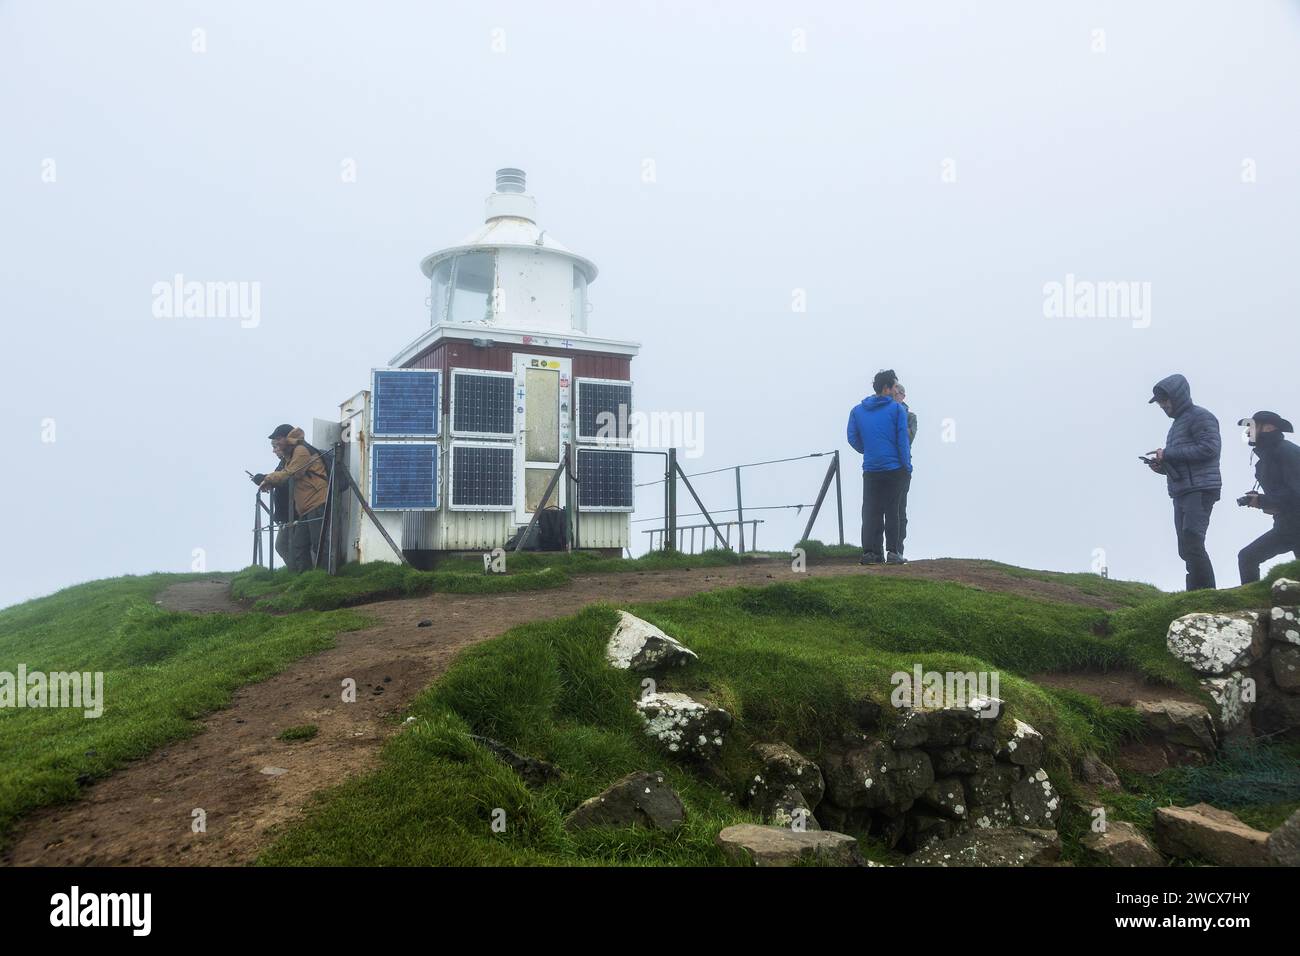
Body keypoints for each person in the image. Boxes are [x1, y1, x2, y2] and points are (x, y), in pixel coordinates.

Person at [1145, 374, 1222, 591]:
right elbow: (1183, 461)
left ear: (1177, 396)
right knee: (1185, 546)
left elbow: (1209, 449)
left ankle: (1206, 593)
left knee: (1192, 538)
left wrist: (1168, 454)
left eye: (1165, 400)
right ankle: (1195, 593)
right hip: (1183, 490)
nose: (1163, 406)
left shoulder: (1201, 417)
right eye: (1160, 402)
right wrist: (1161, 467)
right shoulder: (1177, 425)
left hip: (1200, 489)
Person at [847, 369, 912, 565]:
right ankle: (893, 552)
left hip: (871, 468)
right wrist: (906, 466)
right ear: (886, 388)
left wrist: (868, 451)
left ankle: (870, 554)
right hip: (894, 468)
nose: (895, 391)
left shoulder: (857, 411)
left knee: (870, 511)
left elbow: (852, 438)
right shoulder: (897, 410)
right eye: (893, 387)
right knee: (893, 510)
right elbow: (903, 441)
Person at [253, 424, 329, 572]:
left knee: (318, 544)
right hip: (306, 507)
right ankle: (305, 579)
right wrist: (270, 481)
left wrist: (268, 479)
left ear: (288, 437)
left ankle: (325, 577)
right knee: (299, 545)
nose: (277, 443)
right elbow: (288, 474)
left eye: (279, 439)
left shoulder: (300, 451)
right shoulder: (292, 453)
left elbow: (292, 473)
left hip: (317, 501)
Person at [1236, 411, 1300, 583]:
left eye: (1252, 426)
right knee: (1247, 557)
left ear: (1268, 427)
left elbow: (1296, 493)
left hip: (1294, 524)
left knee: (1247, 557)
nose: (1248, 432)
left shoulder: (1287, 452)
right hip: (1287, 525)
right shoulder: (1267, 457)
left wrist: (1262, 500)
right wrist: (1260, 501)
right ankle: (1251, 603)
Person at [894, 382, 918, 556]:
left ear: (903, 396)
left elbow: (908, 439)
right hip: (884, 466)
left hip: (902, 467)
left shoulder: (910, 416)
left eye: (898, 393)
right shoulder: (884, 415)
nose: (895, 396)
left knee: (900, 509)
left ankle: (898, 549)